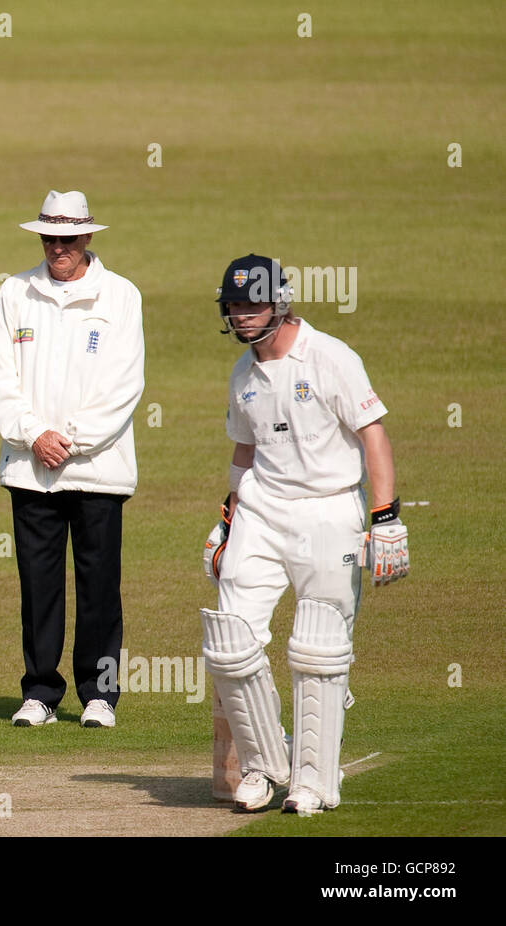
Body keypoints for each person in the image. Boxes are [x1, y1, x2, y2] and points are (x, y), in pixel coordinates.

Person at [201, 254, 408, 814]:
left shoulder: (330, 357)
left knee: (319, 647)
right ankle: (264, 765)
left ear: (280, 302)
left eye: (253, 303)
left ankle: (314, 781)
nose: (243, 315)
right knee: (229, 639)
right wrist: (226, 521)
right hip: (261, 513)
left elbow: (373, 437)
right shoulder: (243, 373)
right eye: (235, 304)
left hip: (327, 511)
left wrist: (385, 517)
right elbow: (244, 453)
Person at [0, 190, 145, 730]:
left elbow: (125, 385)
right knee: (39, 584)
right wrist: (34, 436)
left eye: (67, 238)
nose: (58, 247)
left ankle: (99, 695)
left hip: (97, 468)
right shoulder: (14, 293)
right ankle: (41, 692)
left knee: (99, 585)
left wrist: (68, 440)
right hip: (32, 467)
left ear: (88, 237)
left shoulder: (121, 296)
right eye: (49, 237)